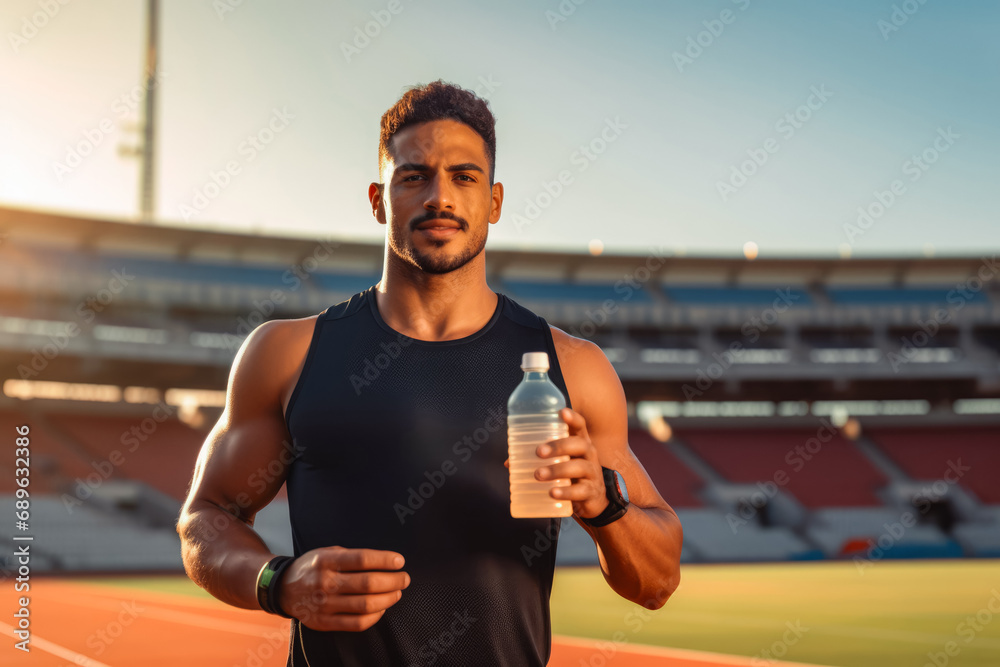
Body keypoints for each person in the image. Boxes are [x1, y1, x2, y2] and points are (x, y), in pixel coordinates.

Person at [177, 80, 682, 666]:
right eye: (414, 176)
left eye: (464, 177)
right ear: (377, 199)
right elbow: (206, 516)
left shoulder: (572, 367)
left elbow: (657, 583)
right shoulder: (289, 352)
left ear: (493, 202)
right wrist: (279, 582)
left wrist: (606, 506)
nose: (439, 197)